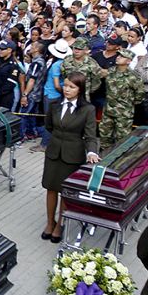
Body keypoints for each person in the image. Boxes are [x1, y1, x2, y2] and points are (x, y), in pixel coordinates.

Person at [42, 72, 100, 243]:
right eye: (65, 85)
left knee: (66, 191)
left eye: (72, 87)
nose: (67, 89)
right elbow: (49, 126)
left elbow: (90, 135)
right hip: (53, 152)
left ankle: (60, 224)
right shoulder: (54, 105)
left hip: (73, 155)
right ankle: (50, 222)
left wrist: (91, 152)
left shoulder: (87, 109)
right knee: (50, 188)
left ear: (80, 90)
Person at [100, 48, 143, 149]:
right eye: (118, 55)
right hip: (108, 111)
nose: (118, 57)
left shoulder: (133, 76)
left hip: (124, 114)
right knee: (105, 137)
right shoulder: (111, 71)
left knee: (122, 140)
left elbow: (139, 94)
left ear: (128, 61)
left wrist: (127, 104)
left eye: (122, 56)